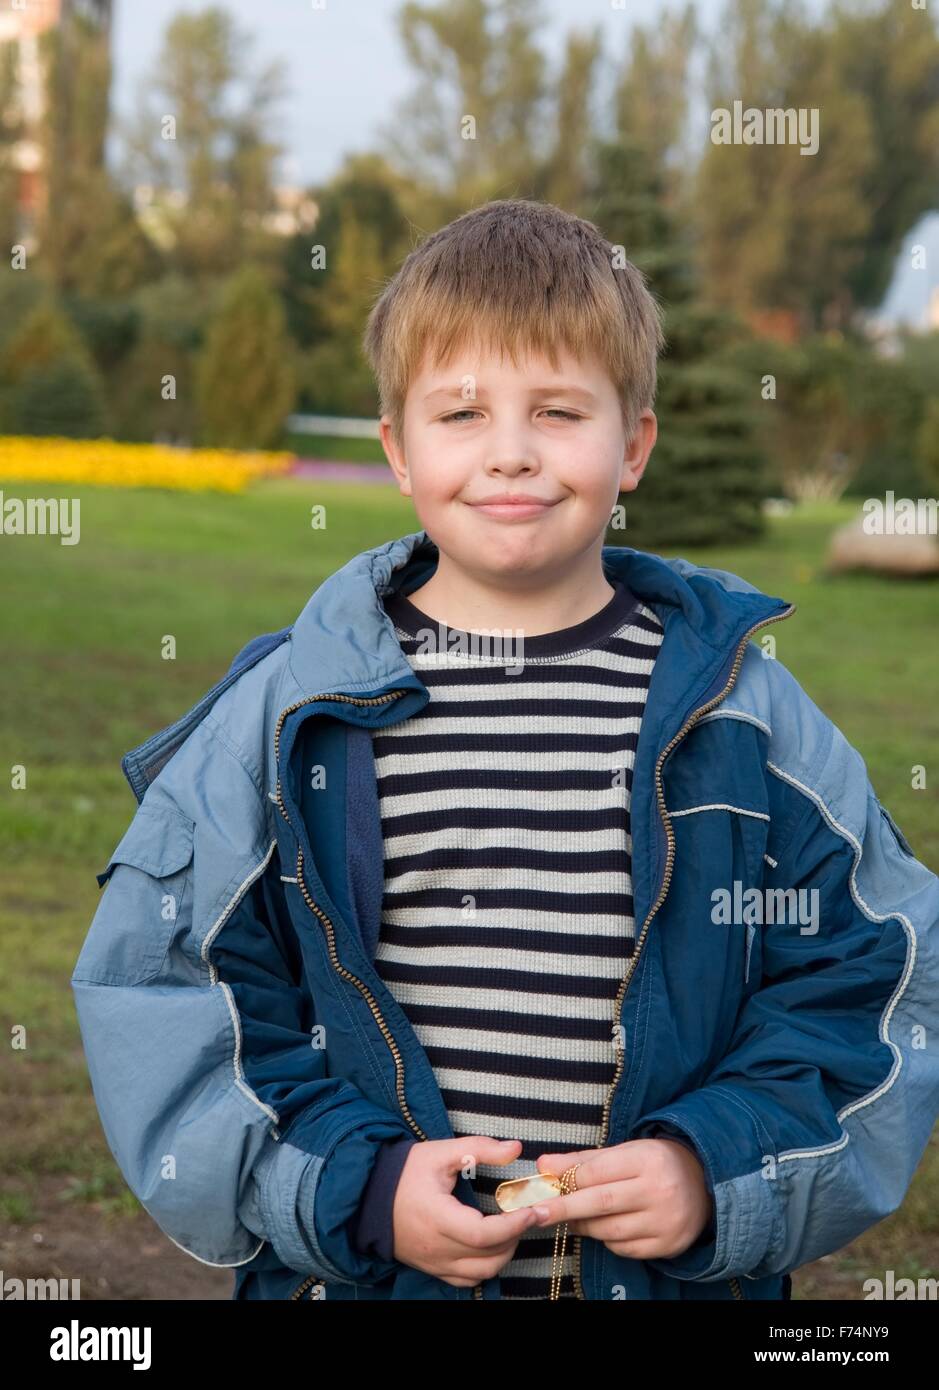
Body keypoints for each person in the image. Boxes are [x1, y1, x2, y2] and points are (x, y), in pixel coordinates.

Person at [71, 199, 939, 1302]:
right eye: (464, 412)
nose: (512, 453)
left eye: (560, 410)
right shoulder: (290, 714)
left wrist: (714, 1164)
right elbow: (170, 986)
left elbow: (882, 970)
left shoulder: (744, 714)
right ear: (397, 448)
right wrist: (362, 1187)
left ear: (633, 446)